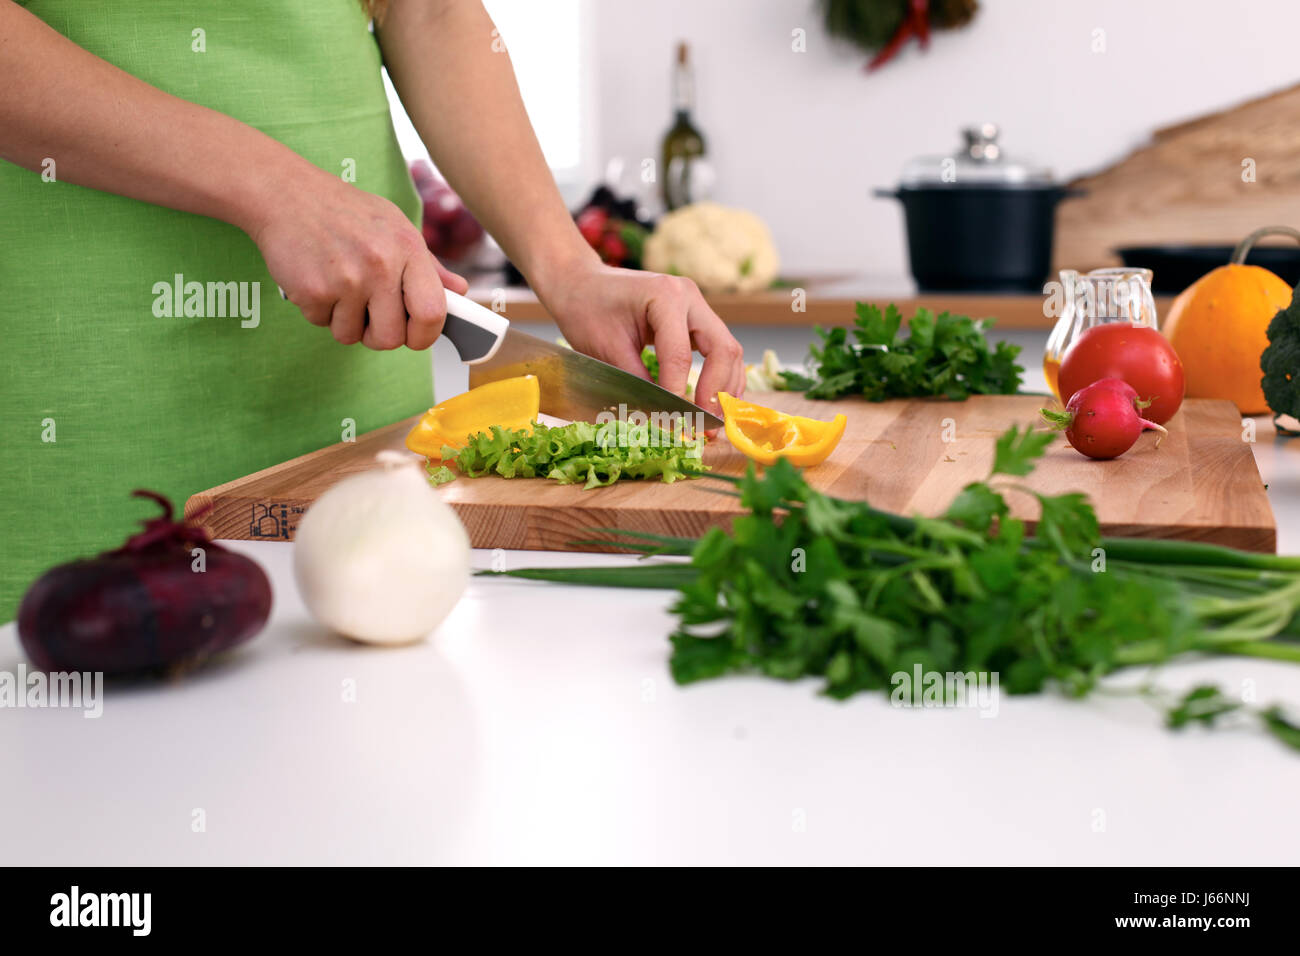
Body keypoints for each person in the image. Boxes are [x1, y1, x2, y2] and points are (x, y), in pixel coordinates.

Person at [0, 0, 745, 620]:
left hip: (361, 415)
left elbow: (427, 8)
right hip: (82, 391)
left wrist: (568, 267)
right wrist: (273, 188)